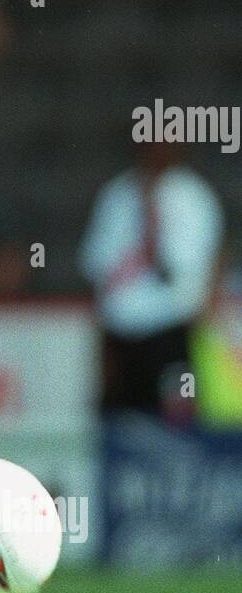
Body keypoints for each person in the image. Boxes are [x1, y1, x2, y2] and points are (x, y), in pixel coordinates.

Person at [79, 141, 224, 418]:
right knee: (121, 422)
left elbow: (201, 266)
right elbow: (95, 265)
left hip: (173, 330)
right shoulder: (117, 195)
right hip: (121, 333)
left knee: (176, 420)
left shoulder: (193, 196)